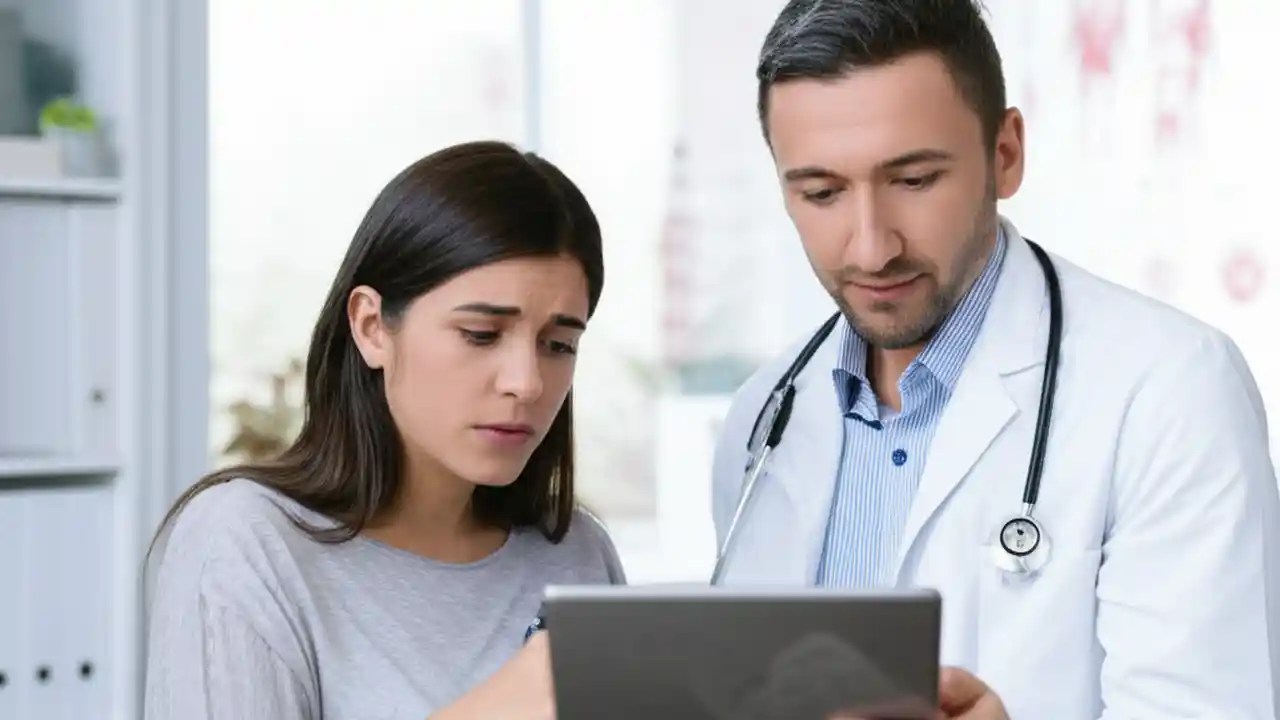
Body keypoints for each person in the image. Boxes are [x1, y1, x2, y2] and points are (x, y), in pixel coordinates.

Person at [710, 1, 1280, 718]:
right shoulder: (763, 419)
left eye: (915, 181)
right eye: (821, 193)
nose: (871, 248)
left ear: (1005, 154)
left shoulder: (1172, 392)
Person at [143, 140, 622, 720]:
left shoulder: (577, 555)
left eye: (559, 345)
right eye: (480, 334)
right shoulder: (248, 542)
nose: (527, 382)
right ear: (372, 327)